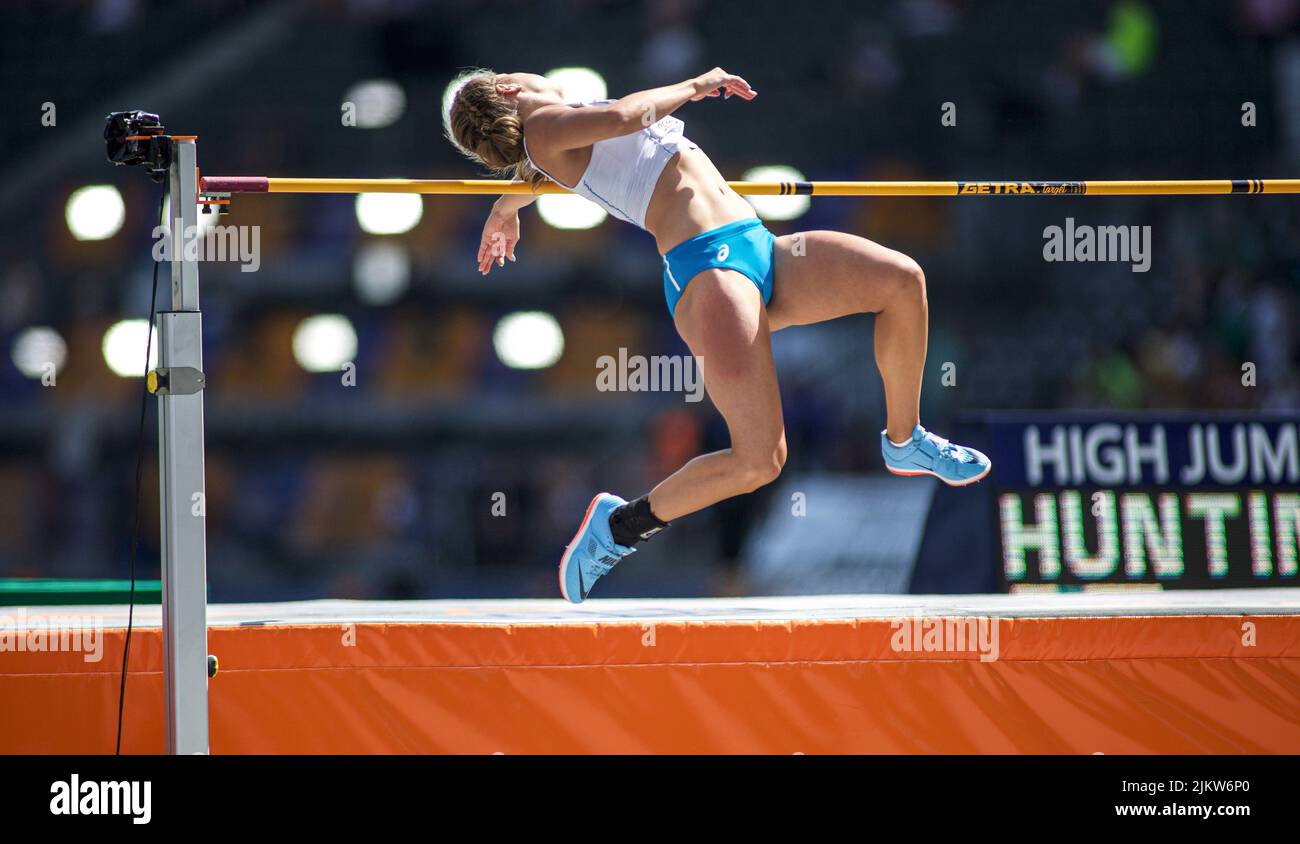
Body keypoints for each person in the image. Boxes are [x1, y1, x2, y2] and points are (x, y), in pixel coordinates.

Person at [445, 67, 990, 603]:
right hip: (709, 272)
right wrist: (695, 86)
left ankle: (904, 440)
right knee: (760, 460)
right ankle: (621, 526)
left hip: (760, 246)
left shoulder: (552, 137)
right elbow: (625, 115)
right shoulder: (545, 129)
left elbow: (562, 160)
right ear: (509, 88)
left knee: (901, 282)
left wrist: (506, 205)